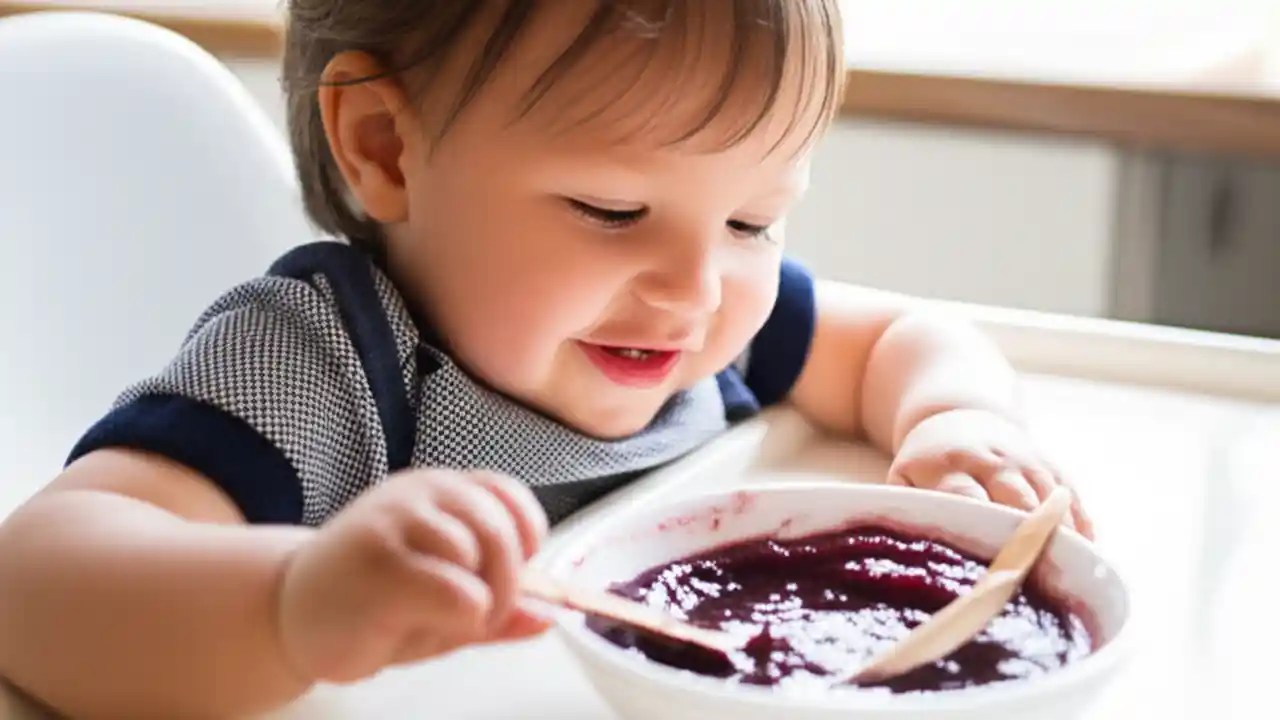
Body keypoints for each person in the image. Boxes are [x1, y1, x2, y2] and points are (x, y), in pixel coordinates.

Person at [0, 1, 1091, 716]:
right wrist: (297, 607)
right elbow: (35, 589)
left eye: (753, 222)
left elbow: (904, 338)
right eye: (611, 209)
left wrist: (956, 421)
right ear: (385, 149)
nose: (693, 291)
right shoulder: (324, 362)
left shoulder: (694, 328)